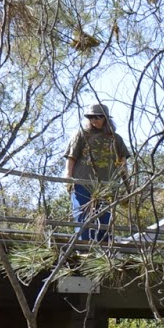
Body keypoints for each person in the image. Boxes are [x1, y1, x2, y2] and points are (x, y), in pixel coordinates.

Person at [65, 103, 130, 241]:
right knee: (83, 215)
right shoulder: (82, 135)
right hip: (83, 183)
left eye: (97, 117)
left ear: (106, 118)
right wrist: (68, 179)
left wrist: (127, 185)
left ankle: (104, 248)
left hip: (107, 185)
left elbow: (123, 164)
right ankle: (83, 247)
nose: (94, 120)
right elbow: (71, 158)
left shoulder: (115, 139)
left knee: (104, 219)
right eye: (91, 117)